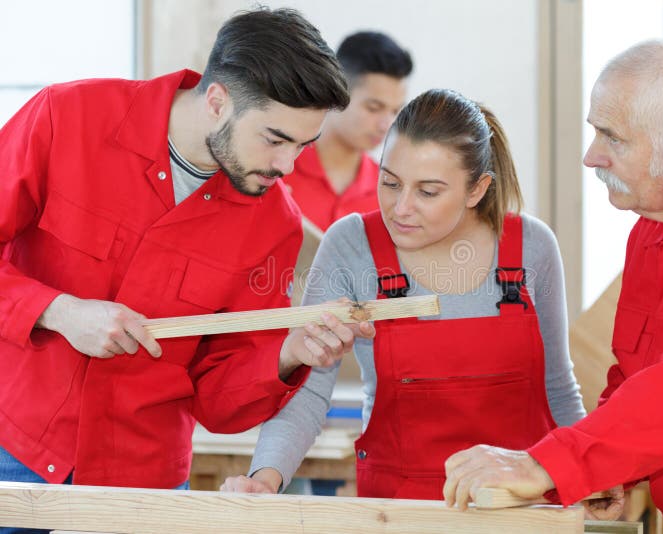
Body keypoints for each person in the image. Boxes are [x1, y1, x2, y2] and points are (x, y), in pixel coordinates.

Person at [0, 5, 374, 511]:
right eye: (275, 139)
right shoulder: (67, 117)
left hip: (142, 484)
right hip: (13, 448)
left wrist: (288, 354)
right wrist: (58, 312)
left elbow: (217, 402)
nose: (287, 165)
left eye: (304, 146)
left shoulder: (274, 224)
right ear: (217, 101)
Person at [443, 39, 663, 532]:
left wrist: (549, 463)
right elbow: (635, 377)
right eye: (595, 132)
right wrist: (613, 473)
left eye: (612, 138)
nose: (591, 156)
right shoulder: (651, 230)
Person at [220, 88, 586, 499]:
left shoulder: (532, 245)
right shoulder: (351, 245)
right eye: (390, 182)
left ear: (477, 189)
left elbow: (558, 388)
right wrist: (264, 478)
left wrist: (590, 478)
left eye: (427, 192)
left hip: (520, 511)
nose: (401, 208)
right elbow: (309, 388)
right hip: (396, 511)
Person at [282, 31, 413, 231]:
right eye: (374, 108)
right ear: (337, 92)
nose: (386, 125)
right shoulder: (277, 166)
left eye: (395, 111)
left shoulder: (389, 195)